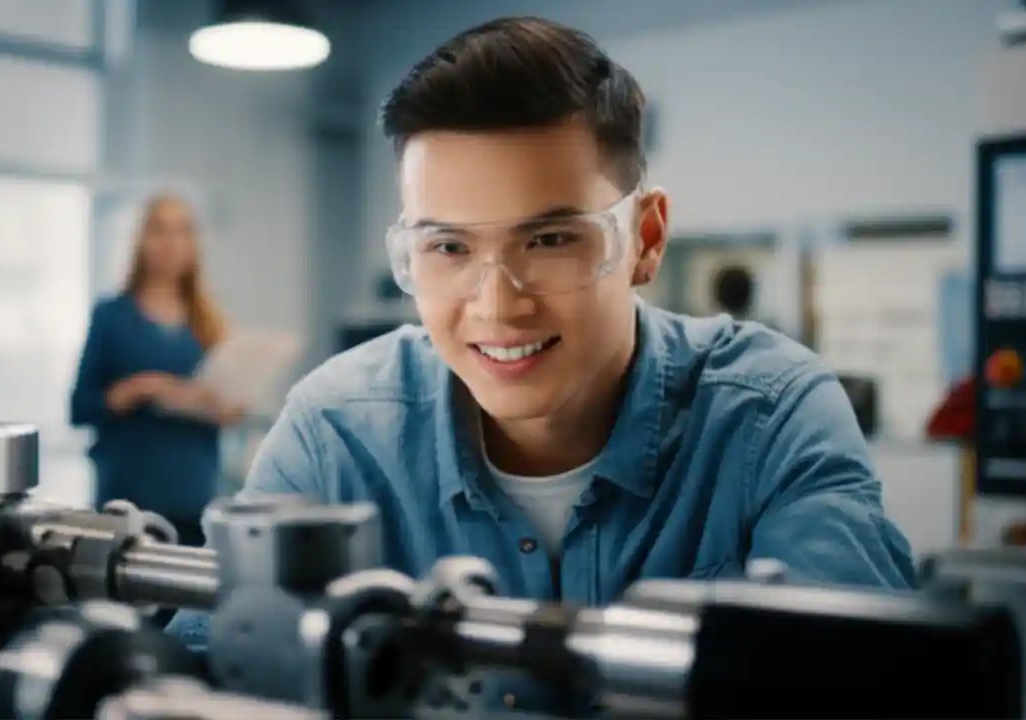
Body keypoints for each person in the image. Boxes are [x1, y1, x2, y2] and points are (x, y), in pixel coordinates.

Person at [168, 13, 916, 681]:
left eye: (551, 240)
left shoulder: (770, 417)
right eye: (449, 247)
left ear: (646, 238)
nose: (498, 306)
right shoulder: (336, 433)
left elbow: (858, 683)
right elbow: (202, 677)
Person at [70, 194, 243, 547]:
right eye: (160, 229)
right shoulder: (111, 316)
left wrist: (225, 408)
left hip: (195, 501)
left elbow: (228, 411)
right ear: (141, 240)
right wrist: (140, 388)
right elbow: (80, 408)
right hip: (127, 504)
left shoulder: (209, 323)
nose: (171, 242)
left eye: (182, 231)